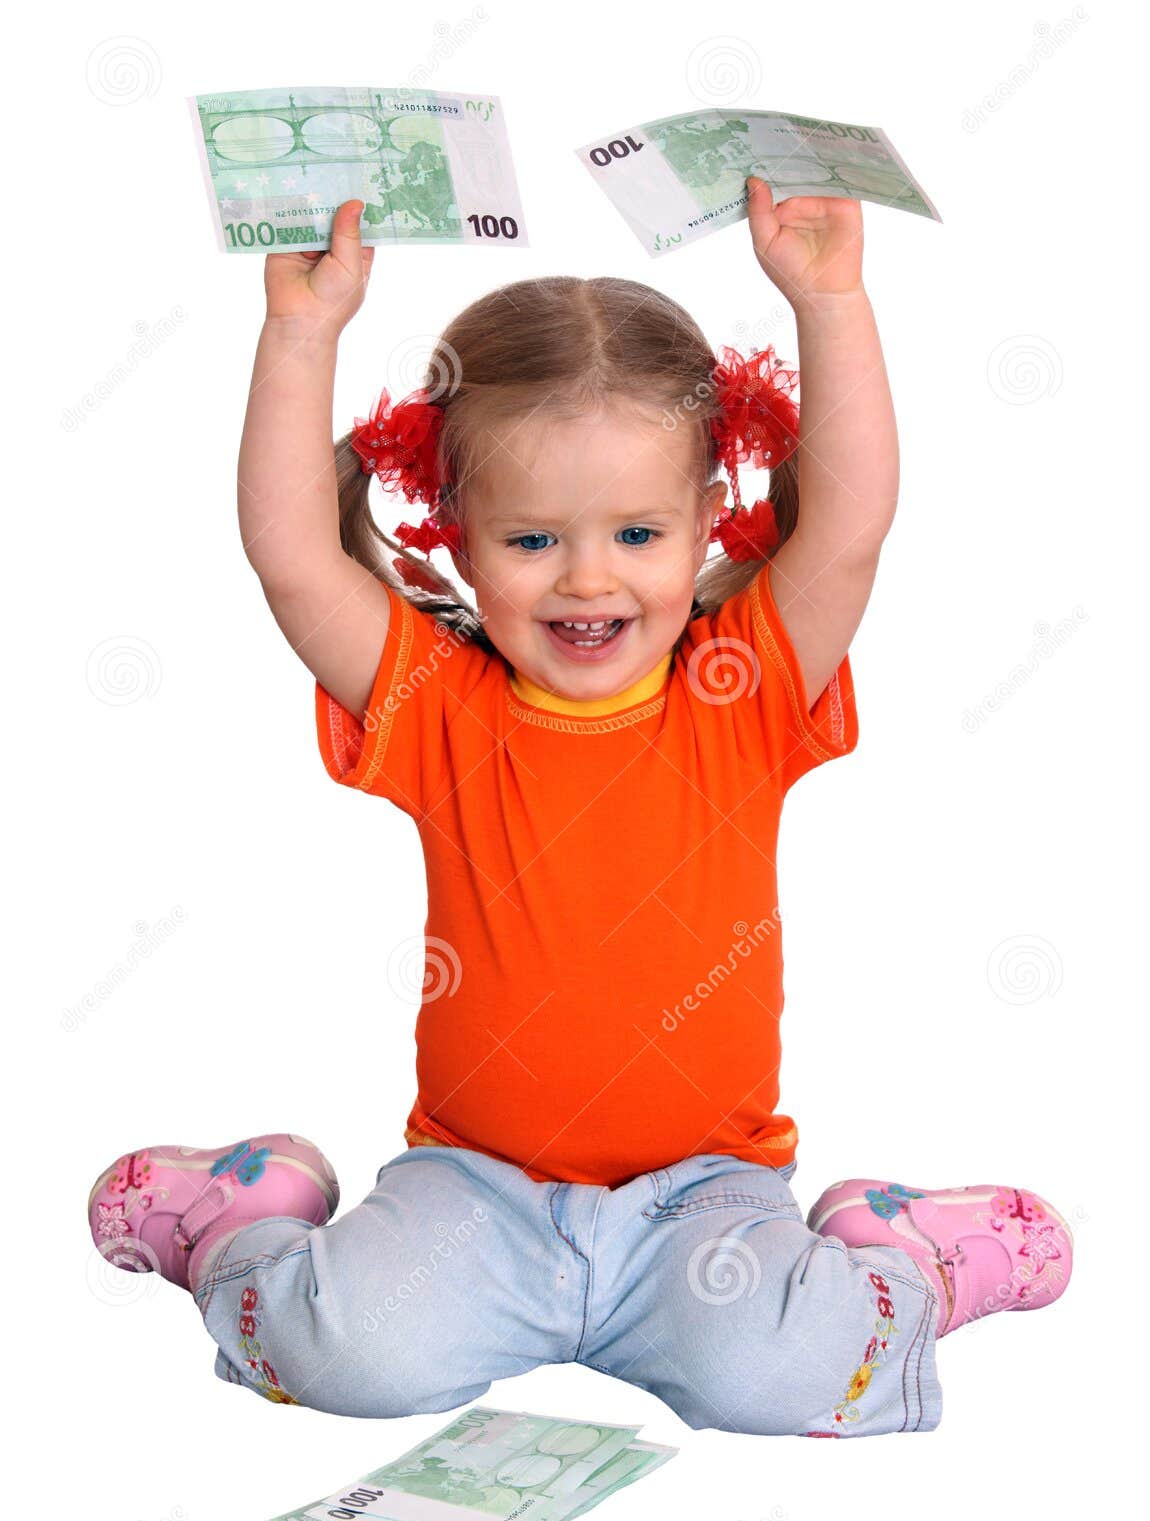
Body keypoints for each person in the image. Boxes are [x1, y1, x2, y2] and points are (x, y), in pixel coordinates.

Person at [87, 183, 1071, 1437]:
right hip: (473, 1196)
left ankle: (909, 1255)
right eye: (536, 538)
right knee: (346, 1358)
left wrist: (828, 301)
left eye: (641, 530)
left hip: (705, 1203)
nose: (590, 576)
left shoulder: (745, 687)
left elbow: (851, 527)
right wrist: (302, 333)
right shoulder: (440, 707)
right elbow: (291, 554)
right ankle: (238, 1221)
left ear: (710, 515)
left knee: (784, 1380)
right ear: (456, 536)